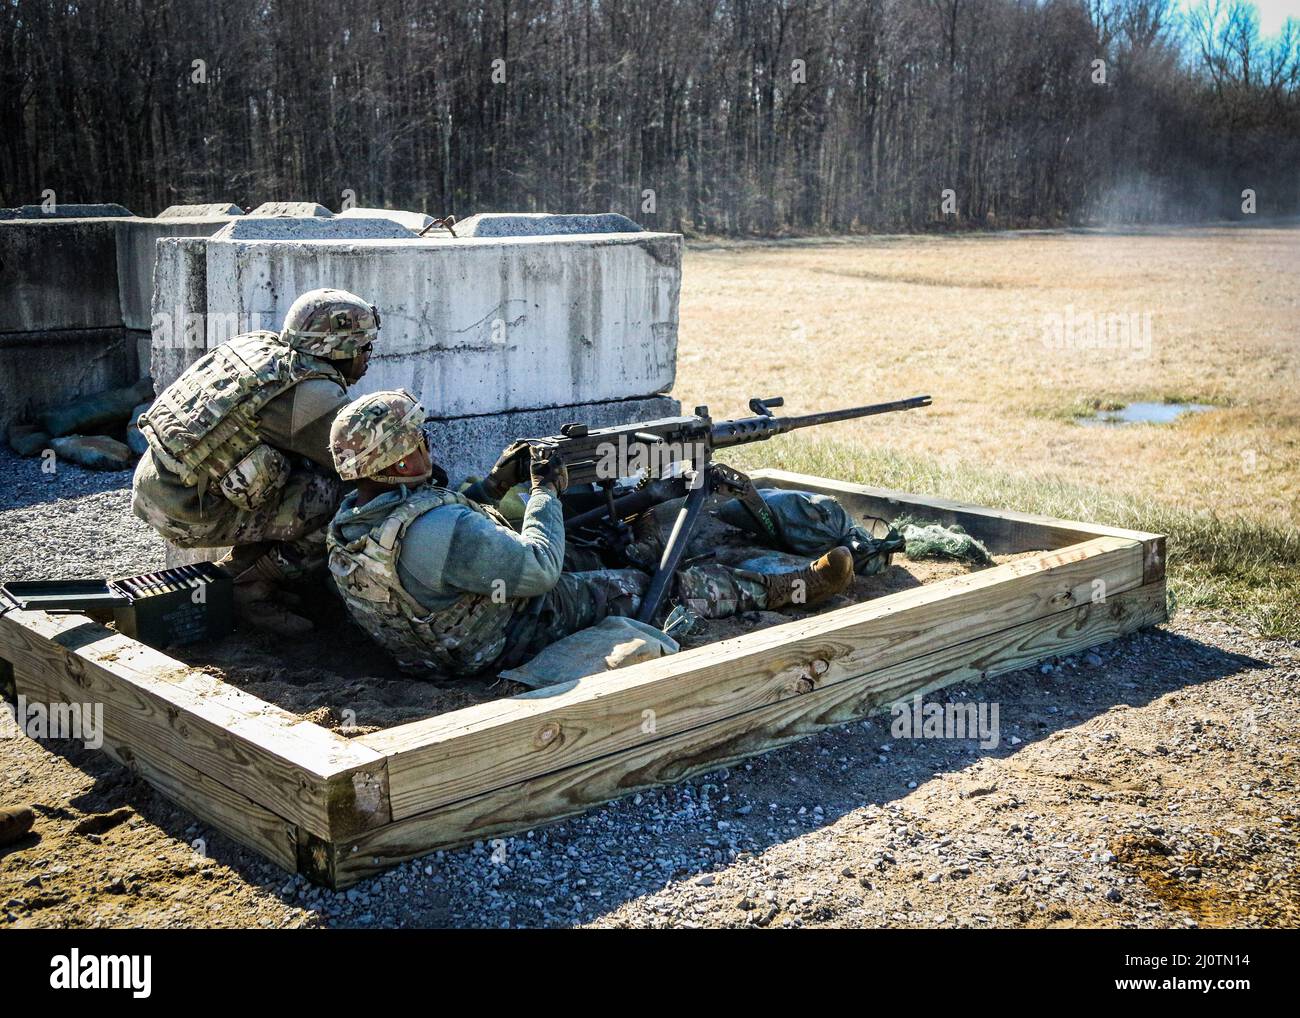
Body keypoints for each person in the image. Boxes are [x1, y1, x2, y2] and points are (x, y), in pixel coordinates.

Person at [325, 389, 855, 677]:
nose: (425, 445)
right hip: (497, 639)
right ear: (396, 463)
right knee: (641, 586)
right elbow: (536, 570)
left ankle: (662, 553)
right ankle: (782, 588)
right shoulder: (442, 529)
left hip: (429, 642)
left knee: (589, 543)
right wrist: (543, 491)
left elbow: (447, 537)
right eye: (415, 440)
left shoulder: (355, 517)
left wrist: (491, 486)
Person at [131, 288, 380, 633]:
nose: (368, 357)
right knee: (347, 500)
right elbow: (368, 467)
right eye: (364, 346)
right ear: (340, 348)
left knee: (297, 477)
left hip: (158, 483)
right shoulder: (314, 396)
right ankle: (249, 590)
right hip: (187, 511)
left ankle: (247, 574)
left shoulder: (257, 347)